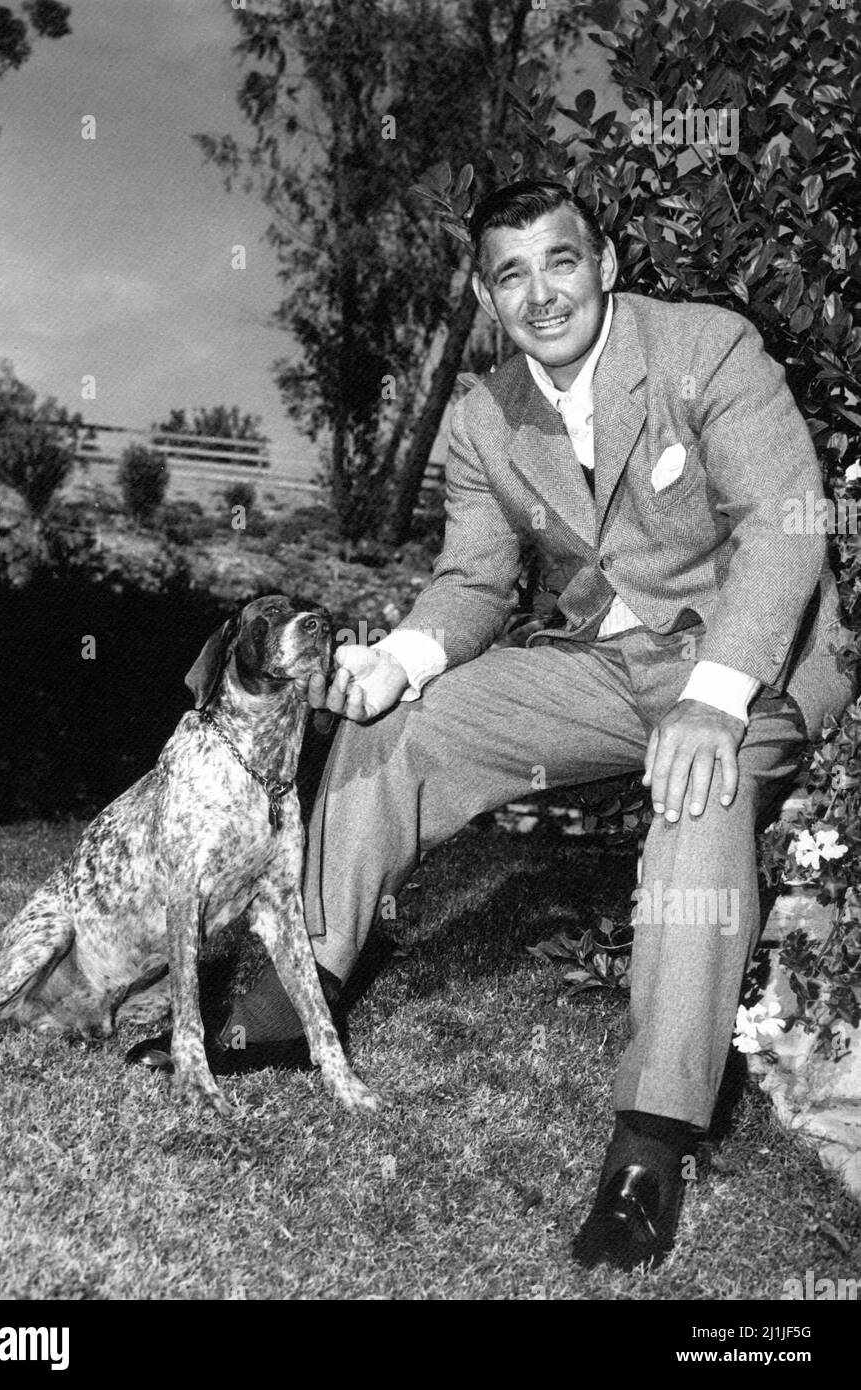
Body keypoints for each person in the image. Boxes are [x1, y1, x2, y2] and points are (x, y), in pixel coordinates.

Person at [214, 180, 853, 1270]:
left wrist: (712, 696)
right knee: (399, 721)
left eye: (560, 261)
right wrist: (397, 661)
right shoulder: (481, 415)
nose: (540, 292)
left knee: (697, 792)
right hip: (603, 667)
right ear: (484, 294)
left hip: (755, 664)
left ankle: (650, 1146)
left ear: (602, 264)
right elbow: (471, 582)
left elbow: (782, 533)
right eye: (510, 274)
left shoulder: (709, 346)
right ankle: (294, 994)